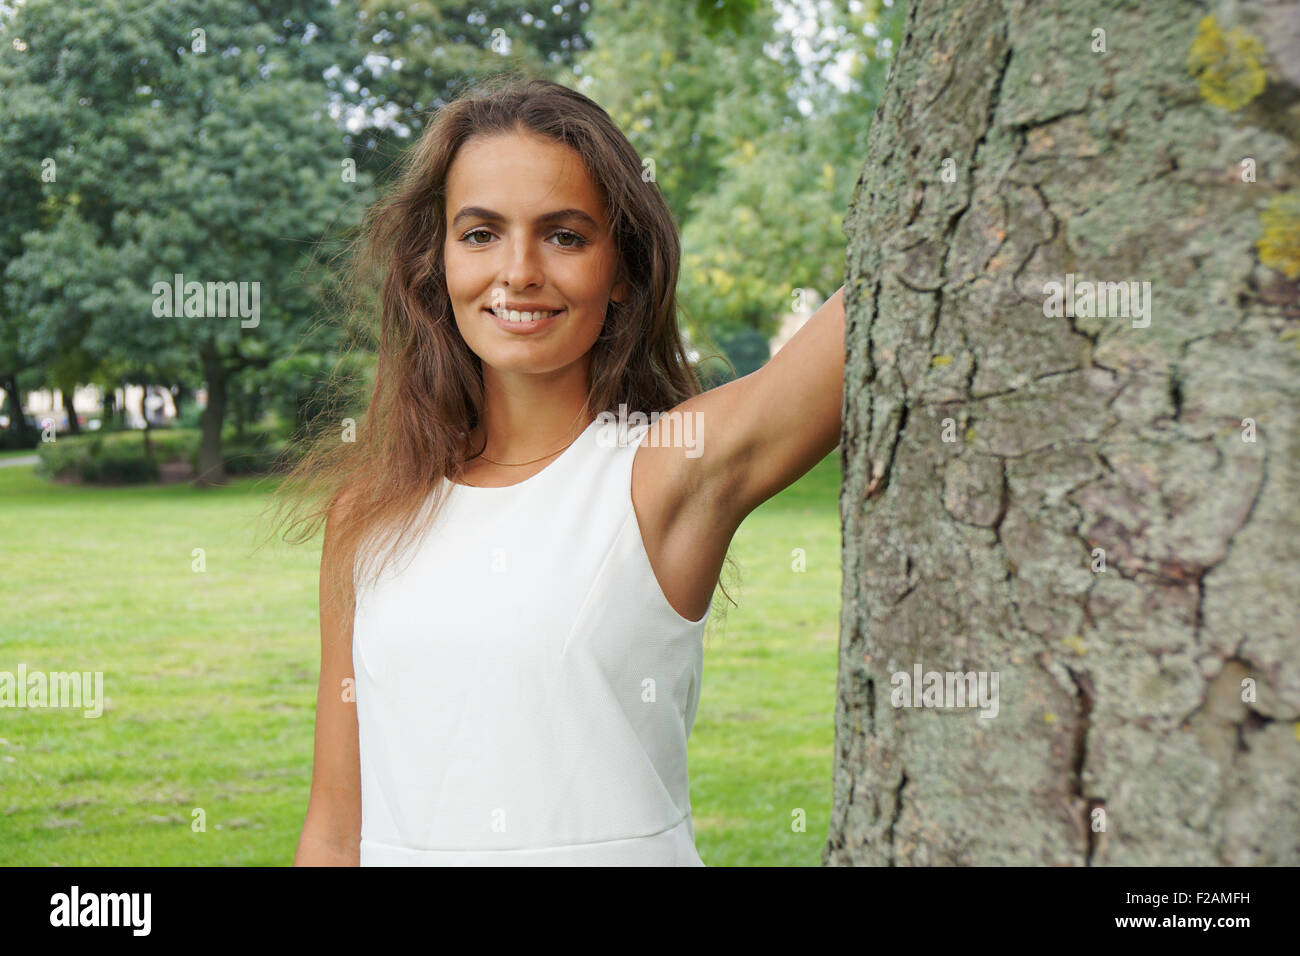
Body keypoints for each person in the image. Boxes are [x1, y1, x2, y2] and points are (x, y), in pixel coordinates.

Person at [277, 74, 845, 866]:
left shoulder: (664, 473)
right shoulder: (364, 514)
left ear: (622, 270)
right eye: (481, 233)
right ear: (437, 261)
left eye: (565, 236)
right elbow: (336, 830)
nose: (518, 271)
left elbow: (874, 306)